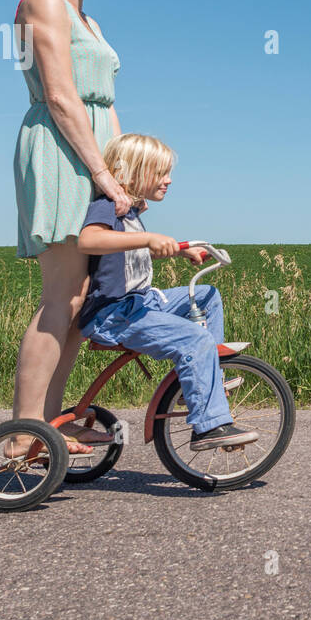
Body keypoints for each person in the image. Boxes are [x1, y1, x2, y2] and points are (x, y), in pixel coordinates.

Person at [10, 0, 132, 458]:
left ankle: (51, 423)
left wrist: (125, 169)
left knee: (82, 300)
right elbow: (60, 96)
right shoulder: (40, 4)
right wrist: (100, 172)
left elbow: (104, 103)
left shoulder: (93, 23)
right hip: (61, 149)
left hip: (95, 151)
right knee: (60, 293)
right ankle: (23, 432)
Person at [77, 133, 259, 451]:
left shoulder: (130, 213)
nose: (169, 180)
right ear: (131, 173)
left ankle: (208, 376)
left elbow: (129, 254)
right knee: (195, 339)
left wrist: (179, 249)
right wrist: (149, 240)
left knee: (207, 296)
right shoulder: (109, 207)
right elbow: (89, 241)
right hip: (114, 314)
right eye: (161, 173)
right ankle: (209, 426)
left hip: (141, 302)